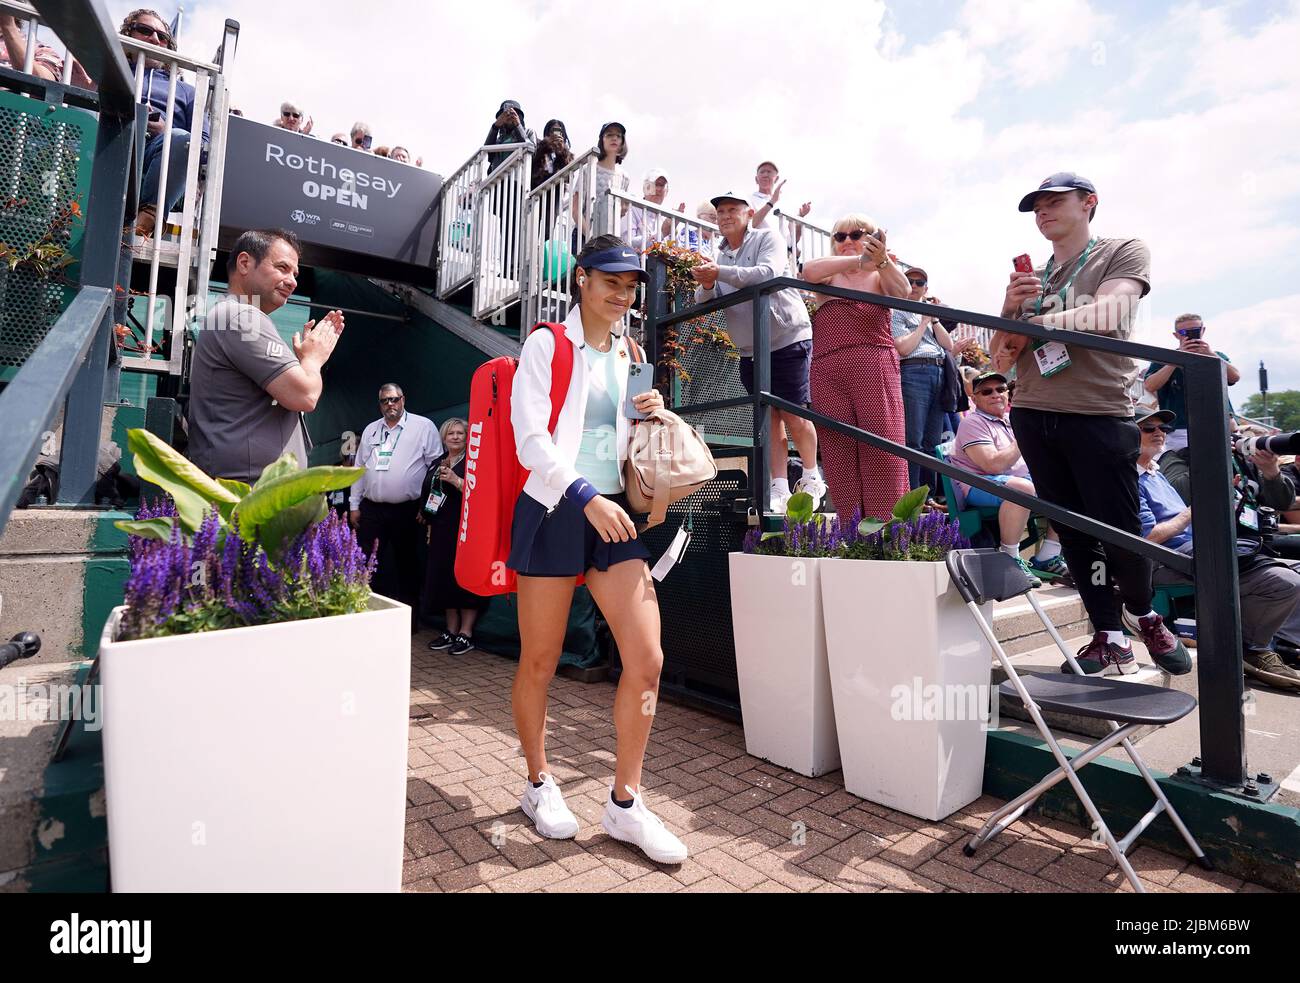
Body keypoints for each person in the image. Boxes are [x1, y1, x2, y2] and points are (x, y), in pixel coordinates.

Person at [506, 234, 687, 864]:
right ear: (581, 279)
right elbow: (529, 438)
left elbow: (623, 440)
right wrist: (584, 494)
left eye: (631, 285)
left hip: (613, 513)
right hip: (556, 508)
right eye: (610, 281)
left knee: (646, 660)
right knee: (541, 660)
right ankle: (536, 781)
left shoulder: (632, 353)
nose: (621, 294)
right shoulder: (546, 344)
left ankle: (625, 801)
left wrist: (652, 413)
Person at [989, 171, 1191, 677]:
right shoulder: (1031, 278)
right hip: (1034, 414)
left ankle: (1144, 614)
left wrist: (1038, 320)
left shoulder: (1120, 250)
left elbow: (1114, 311)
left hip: (1100, 412)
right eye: (1036, 205)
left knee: (1122, 531)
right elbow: (1001, 359)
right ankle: (1108, 634)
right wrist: (1012, 311)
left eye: (1055, 201)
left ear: (1089, 203)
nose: (1043, 211)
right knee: (1075, 533)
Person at [1135, 409, 1300, 689]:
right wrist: (1203, 490)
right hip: (1170, 561)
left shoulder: (1154, 472)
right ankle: (1255, 648)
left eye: (1163, 428)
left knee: (1291, 572)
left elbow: (1281, 502)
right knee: (1286, 582)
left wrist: (1269, 472)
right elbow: (1148, 537)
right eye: (1148, 428)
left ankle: (1270, 644)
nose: (1159, 433)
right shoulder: (1152, 469)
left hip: (1211, 545)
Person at [693, 192, 824, 512]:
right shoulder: (718, 255)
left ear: (749, 213)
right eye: (719, 211)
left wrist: (717, 274)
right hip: (750, 348)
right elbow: (702, 298)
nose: (724, 215)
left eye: (731, 210)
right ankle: (778, 486)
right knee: (768, 418)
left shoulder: (769, 238)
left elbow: (767, 273)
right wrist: (709, 281)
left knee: (793, 412)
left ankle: (811, 476)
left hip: (787, 338)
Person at [188, 229, 345, 483]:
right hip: (249, 497)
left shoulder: (233, 315)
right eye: (282, 268)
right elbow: (304, 395)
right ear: (245, 263)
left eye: (295, 274)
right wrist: (313, 359)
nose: (292, 281)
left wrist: (301, 362)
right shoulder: (243, 317)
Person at [801, 214, 910, 522]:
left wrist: (881, 261)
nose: (847, 240)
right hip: (828, 369)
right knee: (838, 448)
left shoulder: (880, 274)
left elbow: (902, 293)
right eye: (840, 236)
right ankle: (851, 530)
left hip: (874, 364)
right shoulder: (828, 276)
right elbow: (808, 271)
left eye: (856, 234)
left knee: (883, 445)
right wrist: (855, 261)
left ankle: (889, 529)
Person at [948, 370, 1070, 586]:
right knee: (1021, 489)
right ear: (974, 399)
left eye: (1000, 389)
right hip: (979, 484)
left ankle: (1048, 556)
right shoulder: (973, 423)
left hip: (1013, 480)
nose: (995, 394)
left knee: (1067, 482)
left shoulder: (1009, 419)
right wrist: (1024, 436)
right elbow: (992, 464)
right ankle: (1010, 559)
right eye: (987, 391)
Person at [349, 385, 444, 633]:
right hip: (372, 510)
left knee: (408, 566)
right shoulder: (371, 429)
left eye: (394, 399)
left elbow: (435, 469)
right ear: (379, 404)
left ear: (403, 400)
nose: (389, 404)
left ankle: (408, 625)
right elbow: (359, 469)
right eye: (384, 401)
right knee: (367, 562)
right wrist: (354, 504)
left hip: (408, 510)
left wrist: (427, 508)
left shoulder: (423, 427)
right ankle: (366, 617)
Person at [120, 8, 210, 239]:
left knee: (182, 138)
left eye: (163, 38)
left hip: (162, 158)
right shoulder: (111, 70)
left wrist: (165, 131)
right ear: (128, 34)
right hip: (115, 143)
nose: (155, 40)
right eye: (145, 30)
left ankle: (144, 223)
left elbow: (205, 146)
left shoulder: (188, 92)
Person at [892, 265, 976, 492]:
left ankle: (928, 494)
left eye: (920, 283)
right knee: (914, 439)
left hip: (939, 372)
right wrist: (922, 323)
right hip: (914, 371)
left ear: (926, 288)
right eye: (910, 281)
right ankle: (912, 494)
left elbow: (948, 346)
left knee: (933, 441)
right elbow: (904, 349)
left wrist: (934, 320)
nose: (914, 286)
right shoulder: (897, 311)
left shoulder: (929, 315)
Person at [422, 418, 490, 656]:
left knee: (464, 580)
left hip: (465, 531)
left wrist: (457, 481)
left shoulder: (473, 464)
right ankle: (450, 630)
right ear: (444, 437)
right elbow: (429, 494)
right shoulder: (437, 463)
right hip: (441, 531)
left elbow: (482, 494)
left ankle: (466, 633)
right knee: (444, 580)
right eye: (451, 433)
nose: (456, 437)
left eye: (461, 433)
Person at [1143, 314, 1240, 452]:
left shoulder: (1215, 356)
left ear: (1203, 330)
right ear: (1176, 335)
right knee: (1184, 472)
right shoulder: (1165, 358)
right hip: (1181, 430)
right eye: (1183, 332)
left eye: (1195, 330)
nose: (1189, 335)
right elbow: (1150, 386)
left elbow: (1235, 377)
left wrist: (1210, 354)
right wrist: (1177, 359)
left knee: (1225, 471)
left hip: (1218, 425)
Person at [579, 121, 630, 240]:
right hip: (584, 236)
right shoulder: (589, 169)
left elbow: (620, 213)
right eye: (609, 135)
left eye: (618, 136)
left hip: (609, 238)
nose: (614, 138)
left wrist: (623, 209)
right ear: (602, 140)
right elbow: (576, 209)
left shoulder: (624, 177)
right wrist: (589, 235)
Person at [623, 169, 680, 251]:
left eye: (662, 185)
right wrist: (661, 234)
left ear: (666, 192)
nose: (658, 189)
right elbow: (627, 242)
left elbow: (675, 250)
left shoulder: (667, 217)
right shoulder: (632, 208)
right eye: (655, 184)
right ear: (645, 188)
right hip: (637, 261)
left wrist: (674, 231)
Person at [749, 161, 811, 231]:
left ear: (777, 178)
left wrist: (800, 217)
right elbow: (748, 226)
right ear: (756, 179)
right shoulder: (748, 200)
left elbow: (793, 239)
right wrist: (772, 202)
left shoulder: (786, 203)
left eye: (769, 172)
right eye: (762, 172)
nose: (765, 175)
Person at [482, 99, 536, 175]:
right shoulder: (498, 140)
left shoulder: (529, 132)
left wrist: (518, 125)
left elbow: (531, 151)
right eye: (505, 114)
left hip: (518, 180)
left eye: (513, 113)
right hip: (497, 181)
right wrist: (495, 126)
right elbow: (486, 152)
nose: (509, 116)